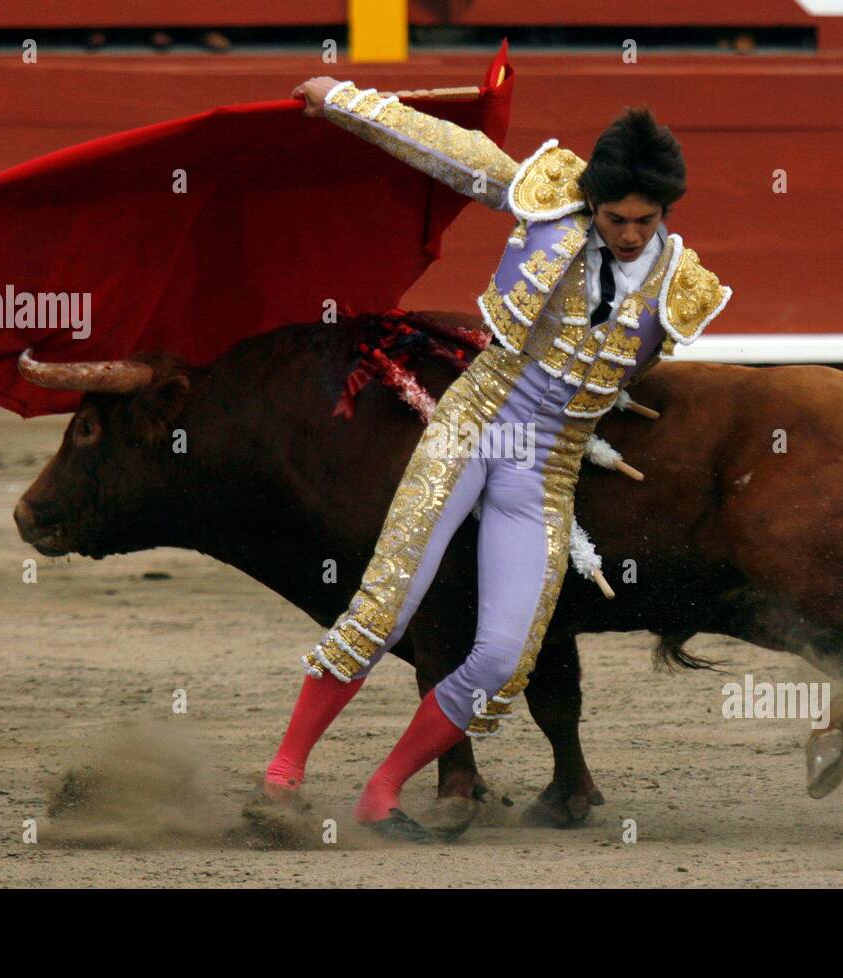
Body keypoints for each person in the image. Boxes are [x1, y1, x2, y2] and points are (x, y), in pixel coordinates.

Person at [266, 75, 731, 840]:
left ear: (665, 213)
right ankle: (283, 773)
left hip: (545, 465)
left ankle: (382, 791)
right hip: (476, 422)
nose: (627, 233)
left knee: (504, 661)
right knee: (382, 608)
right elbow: (454, 154)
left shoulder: (682, 288)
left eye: (644, 221)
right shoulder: (553, 199)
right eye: (615, 217)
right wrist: (342, 99)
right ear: (594, 199)